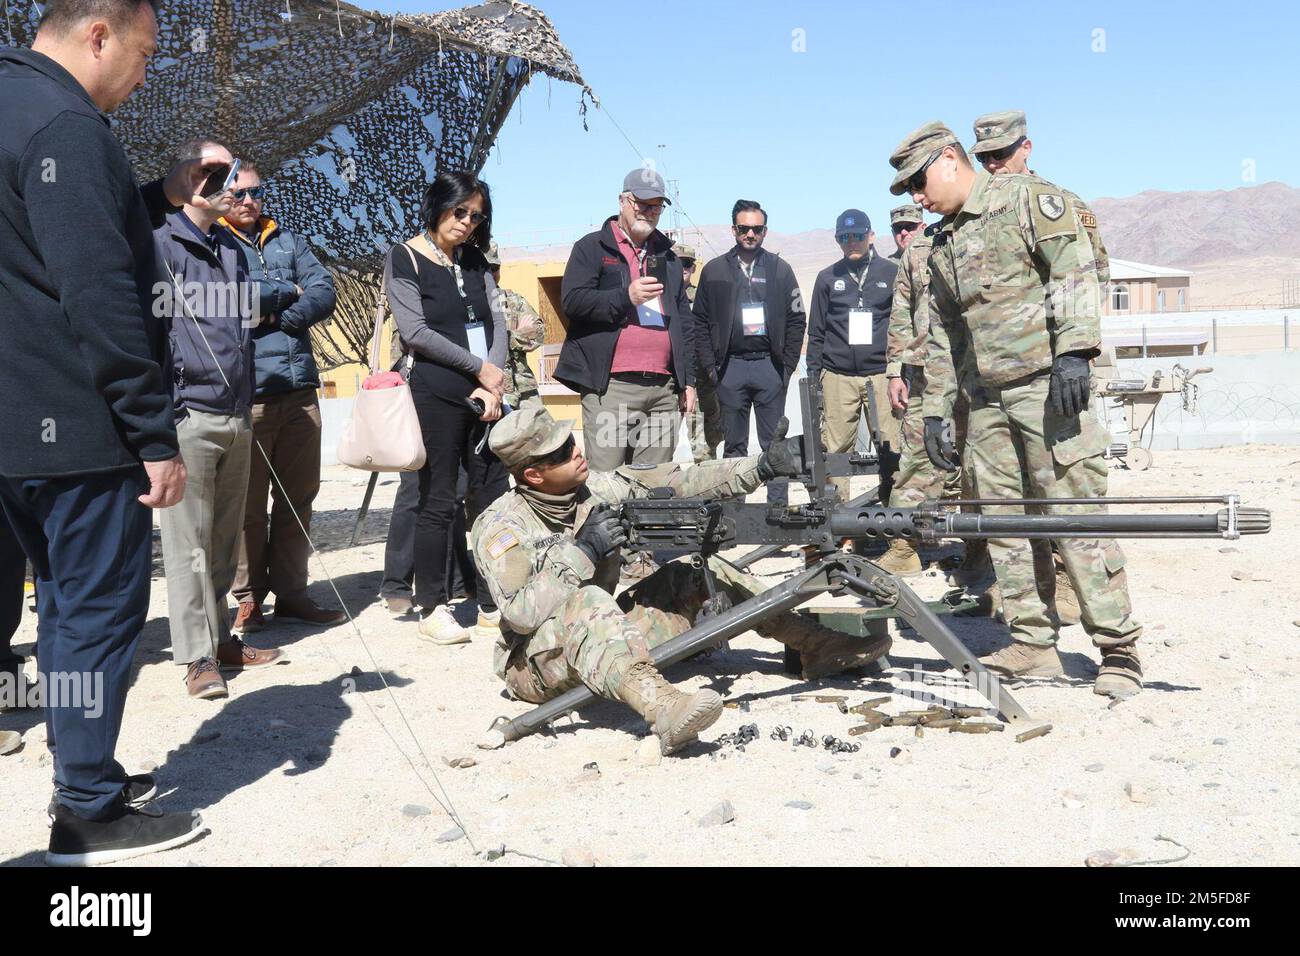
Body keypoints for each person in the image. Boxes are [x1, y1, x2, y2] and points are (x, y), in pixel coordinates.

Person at [0, 0, 218, 864]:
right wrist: (151, 432)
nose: (145, 71)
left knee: (59, 607)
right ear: (98, 35)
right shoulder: (69, 126)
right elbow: (98, 293)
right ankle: (87, 809)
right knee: (94, 612)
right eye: (145, 51)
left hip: (16, 427)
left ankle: (83, 765)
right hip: (79, 427)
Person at [470, 407, 891, 755]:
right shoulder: (502, 526)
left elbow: (680, 478)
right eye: (561, 452)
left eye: (570, 441)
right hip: (535, 665)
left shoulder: (597, 490)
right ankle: (665, 708)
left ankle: (816, 646)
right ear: (533, 476)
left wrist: (761, 467)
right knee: (590, 599)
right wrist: (583, 552)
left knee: (693, 571)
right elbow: (520, 614)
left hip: (601, 637)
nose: (576, 451)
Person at [890, 120, 1143, 698]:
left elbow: (1073, 270)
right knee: (1003, 522)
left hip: (1047, 388)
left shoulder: (1030, 200)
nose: (916, 199)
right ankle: (1033, 642)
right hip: (985, 402)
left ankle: (1118, 647)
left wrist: (1075, 353)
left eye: (919, 182)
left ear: (950, 159)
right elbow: (948, 332)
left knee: (1073, 514)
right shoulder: (944, 239)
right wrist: (935, 409)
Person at [971, 109, 1114, 625]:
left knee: (1070, 491)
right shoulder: (977, 213)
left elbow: (1084, 273)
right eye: (984, 157)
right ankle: (1035, 622)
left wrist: (1073, 353)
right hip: (1002, 379)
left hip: (1058, 366)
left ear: (1026, 148)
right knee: (1014, 504)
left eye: (1001, 154)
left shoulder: (1055, 202)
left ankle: (1101, 618)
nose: (994, 165)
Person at [155, 139, 284, 700]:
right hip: (189, 416)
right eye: (217, 172)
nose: (232, 183)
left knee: (225, 538)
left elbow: (242, 329)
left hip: (237, 413)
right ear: (188, 177)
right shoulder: (159, 240)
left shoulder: (230, 249)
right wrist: (170, 408)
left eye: (233, 172)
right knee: (189, 543)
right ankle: (196, 658)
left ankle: (222, 638)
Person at [384, 170, 509, 645]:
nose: (467, 222)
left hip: (487, 395)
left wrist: (492, 381)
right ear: (439, 206)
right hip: (434, 391)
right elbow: (416, 332)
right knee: (437, 500)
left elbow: (497, 321)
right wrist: (478, 368)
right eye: (460, 211)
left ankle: (491, 600)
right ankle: (432, 606)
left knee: (491, 498)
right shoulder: (405, 257)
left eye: (476, 216)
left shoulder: (475, 259)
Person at [221, 162, 346, 633]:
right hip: (247, 395)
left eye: (255, 191)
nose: (249, 201)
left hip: (300, 394)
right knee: (247, 505)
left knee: (298, 499)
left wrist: (282, 317)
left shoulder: (289, 241)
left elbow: (323, 291)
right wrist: (284, 293)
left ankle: (293, 594)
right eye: (238, 194)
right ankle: (248, 599)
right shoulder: (213, 243)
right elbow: (230, 298)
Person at [556, 168, 696, 471]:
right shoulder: (592, 248)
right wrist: (625, 296)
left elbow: (684, 323)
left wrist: (688, 382)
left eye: (656, 206)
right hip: (612, 388)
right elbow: (573, 301)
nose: (649, 212)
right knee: (608, 482)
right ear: (623, 201)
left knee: (653, 483)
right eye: (642, 204)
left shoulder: (668, 257)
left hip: (663, 391)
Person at [692, 201, 805, 506]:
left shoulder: (780, 270)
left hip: (770, 368)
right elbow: (699, 323)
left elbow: (797, 318)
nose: (751, 234)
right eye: (744, 228)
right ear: (734, 230)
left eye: (757, 229)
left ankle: (778, 512)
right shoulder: (714, 271)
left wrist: (787, 367)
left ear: (765, 231)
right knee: (734, 446)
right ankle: (734, 515)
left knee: (775, 445)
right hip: (730, 370)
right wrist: (712, 369)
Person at [806, 210, 900, 503]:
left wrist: (902, 372)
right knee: (836, 453)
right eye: (844, 238)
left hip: (881, 374)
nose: (851, 243)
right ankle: (841, 525)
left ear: (871, 236)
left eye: (858, 236)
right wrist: (813, 377)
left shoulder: (891, 272)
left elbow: (902, 325)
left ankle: (893, 518)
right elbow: (817, 331)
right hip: (838, 376)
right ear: (837, 240)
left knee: (890, 446)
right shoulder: (826, 278)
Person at [484, 242, 546, 412]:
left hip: (524, 389)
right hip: (491, 390)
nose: (491, 273)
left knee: (542, 434)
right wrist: (516, 334)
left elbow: (539, 333)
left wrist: (505, 338)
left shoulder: (513, 300)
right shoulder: (468, 305)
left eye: (495, 268)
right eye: (486, 267)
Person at [679, 242, 724, 464]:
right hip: (671, 377)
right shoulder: (658, 299)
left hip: (701, 376)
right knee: (658, 436)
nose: (682, 268)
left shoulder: (702, 299)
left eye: (686, 264)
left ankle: (706, 471)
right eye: (677, 263)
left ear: (693, 268)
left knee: (708, 433)